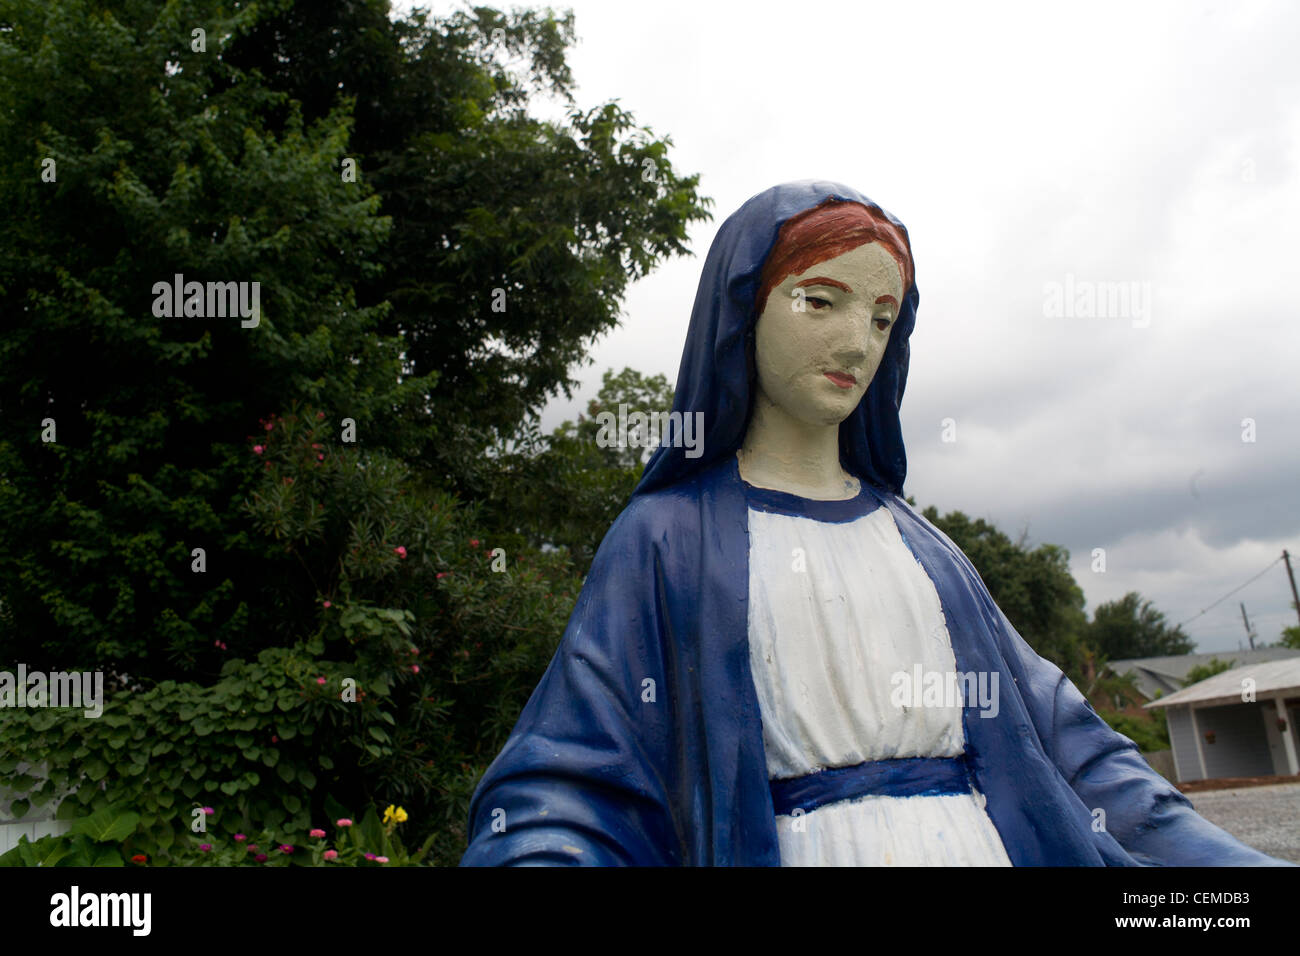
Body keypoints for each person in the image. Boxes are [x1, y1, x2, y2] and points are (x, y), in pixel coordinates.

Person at [461, 180, 1291, 866]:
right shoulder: (667, 542)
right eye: (820, 300)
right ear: (742, 311)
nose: (858, 342)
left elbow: (1079, 754)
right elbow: (567, 789)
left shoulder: (927, 554)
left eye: (883, 317)